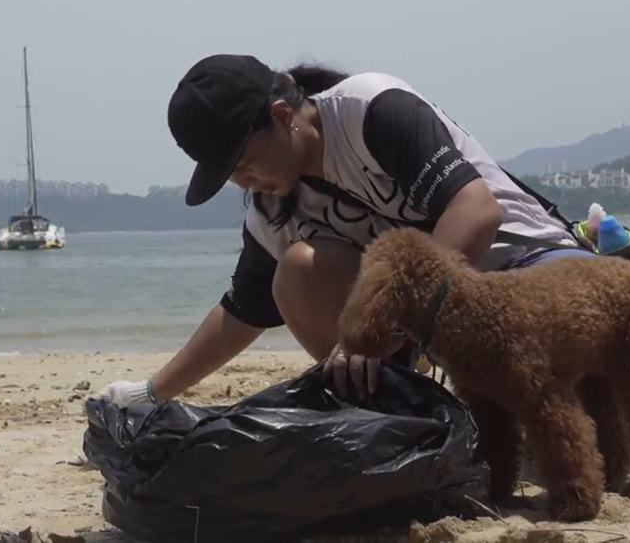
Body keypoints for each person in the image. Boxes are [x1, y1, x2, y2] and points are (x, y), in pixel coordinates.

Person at [96, 54, 594, 404]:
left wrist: (375, 326)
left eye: (243, 163)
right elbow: (239, 316)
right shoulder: (273, 210)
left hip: (530, 265)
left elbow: (476, 210)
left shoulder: (369, 109)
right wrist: (151, 393)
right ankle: (402, 405)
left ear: (282, 115)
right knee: (297, 269)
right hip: (440, 324)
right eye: (230, 176)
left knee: (573, 397)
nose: (243, 182)